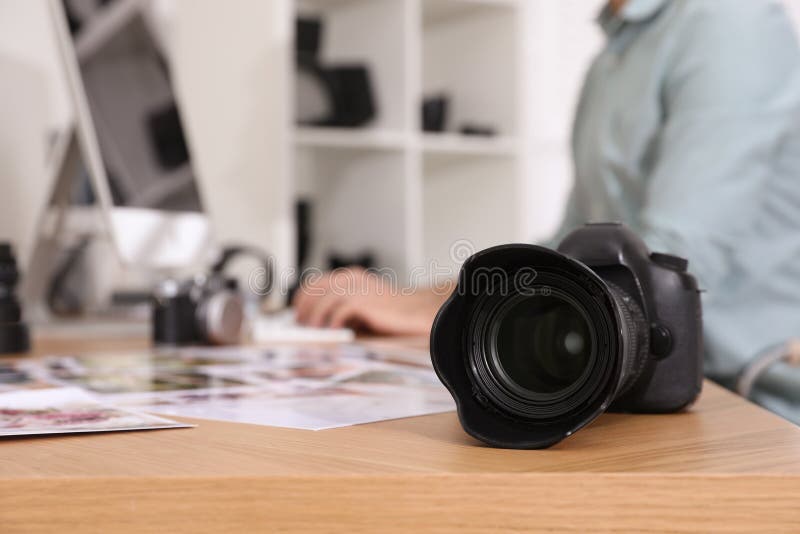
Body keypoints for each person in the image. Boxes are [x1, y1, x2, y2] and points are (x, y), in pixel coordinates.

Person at [294, 0, 800, 422]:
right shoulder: (616, 53)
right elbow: (569, 247)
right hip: (629, 385)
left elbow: (668, 257)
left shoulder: (729, 22)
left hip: (742, 399)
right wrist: (422, 302)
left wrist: (436, 311)